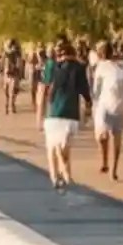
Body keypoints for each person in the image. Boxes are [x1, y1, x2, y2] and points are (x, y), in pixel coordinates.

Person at [38, 40, 93, 192]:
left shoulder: (52, 66)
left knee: (52, 146)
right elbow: (84, 89)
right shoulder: (80, 68)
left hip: (54, 112)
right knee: (65, 146)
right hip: (71, 112)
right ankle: (66, 173)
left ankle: (55, 177)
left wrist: (40, 112)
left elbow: (45, 87)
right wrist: (89, 103)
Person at [91, 42, 123, 181]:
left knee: (101, 136)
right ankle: (112, 169)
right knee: (116, 136)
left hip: (106, 104)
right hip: (121, 104)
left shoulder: (101, 66)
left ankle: (106, 163)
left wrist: (93, 104)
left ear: (100, 54)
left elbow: (96, 90)